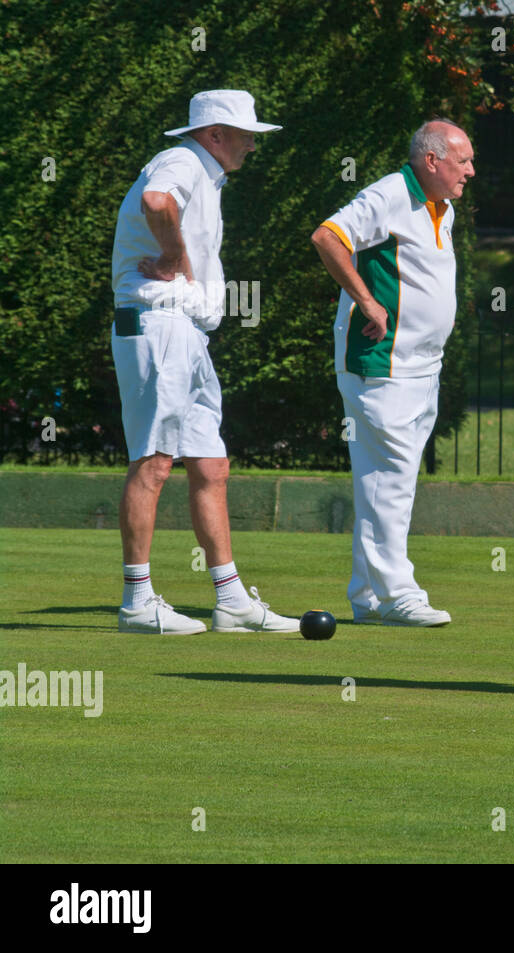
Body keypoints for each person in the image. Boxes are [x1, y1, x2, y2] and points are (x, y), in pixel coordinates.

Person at [111, 89, 298, 635]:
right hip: (156, 323)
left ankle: (232, 600)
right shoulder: (182, 161)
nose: (251, 146)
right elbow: (155, 202)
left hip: (186, 331)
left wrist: (182, 262)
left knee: (210, 465)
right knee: (154, 461)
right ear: (214, 134)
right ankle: (137, 603)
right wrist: (171, 256)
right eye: (245, 136)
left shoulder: (205, 175)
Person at [311, 119, 474, 627]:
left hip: (424, 366)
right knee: (391, 479)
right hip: (383, 365)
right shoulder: (388, 195)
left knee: (387, 478)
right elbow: (328, 236)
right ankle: (398, 592)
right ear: (432, 161)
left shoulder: (441, 207)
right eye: (462, 161)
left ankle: (368, 594)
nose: (470, 170)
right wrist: (366, 302)